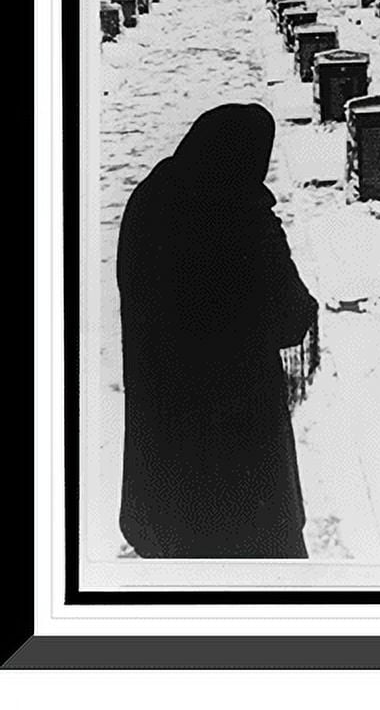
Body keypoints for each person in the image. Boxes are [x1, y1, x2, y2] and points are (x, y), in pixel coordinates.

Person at [116, 103, 317, 558]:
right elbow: (288, 319)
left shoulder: (149, 200)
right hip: (240, 436)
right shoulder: (243, 215)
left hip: (166, 426)